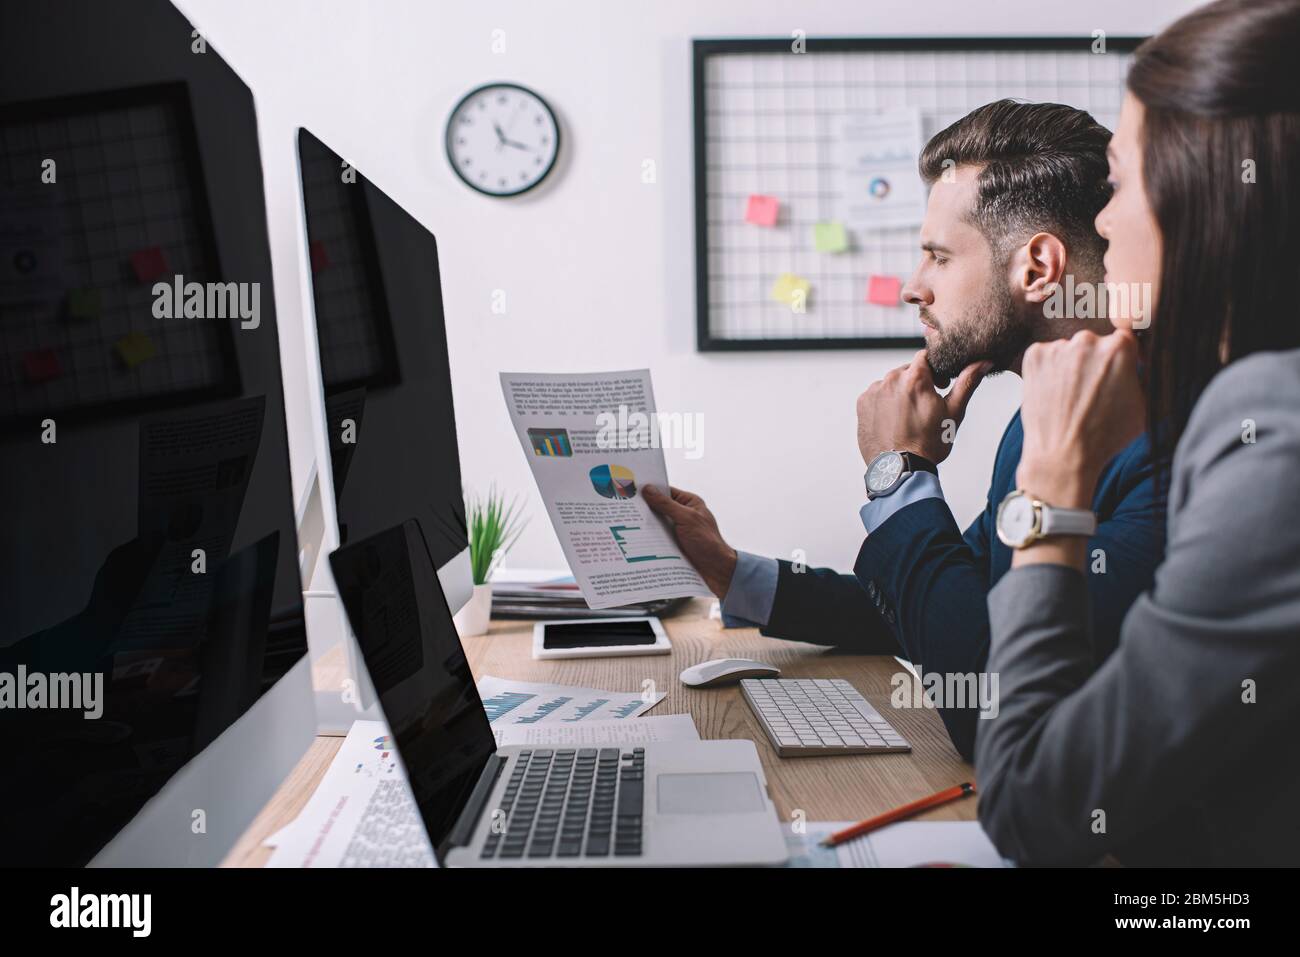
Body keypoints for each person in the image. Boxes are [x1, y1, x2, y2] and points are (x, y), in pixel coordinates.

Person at [646, 100, 1164, 761]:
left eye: (938, 257)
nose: (913, 288)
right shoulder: (1036, 421)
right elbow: (951, 601)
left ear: (1036, 269)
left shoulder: (1168, 447)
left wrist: (899, 476)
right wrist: (730, 570)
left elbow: (994, 709)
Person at [974, 0, 1300, 866]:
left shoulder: (1273, 432)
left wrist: (1050, 491)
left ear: (1205, 188)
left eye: (1120, 181)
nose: (1105, 221)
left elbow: (1037, 801)